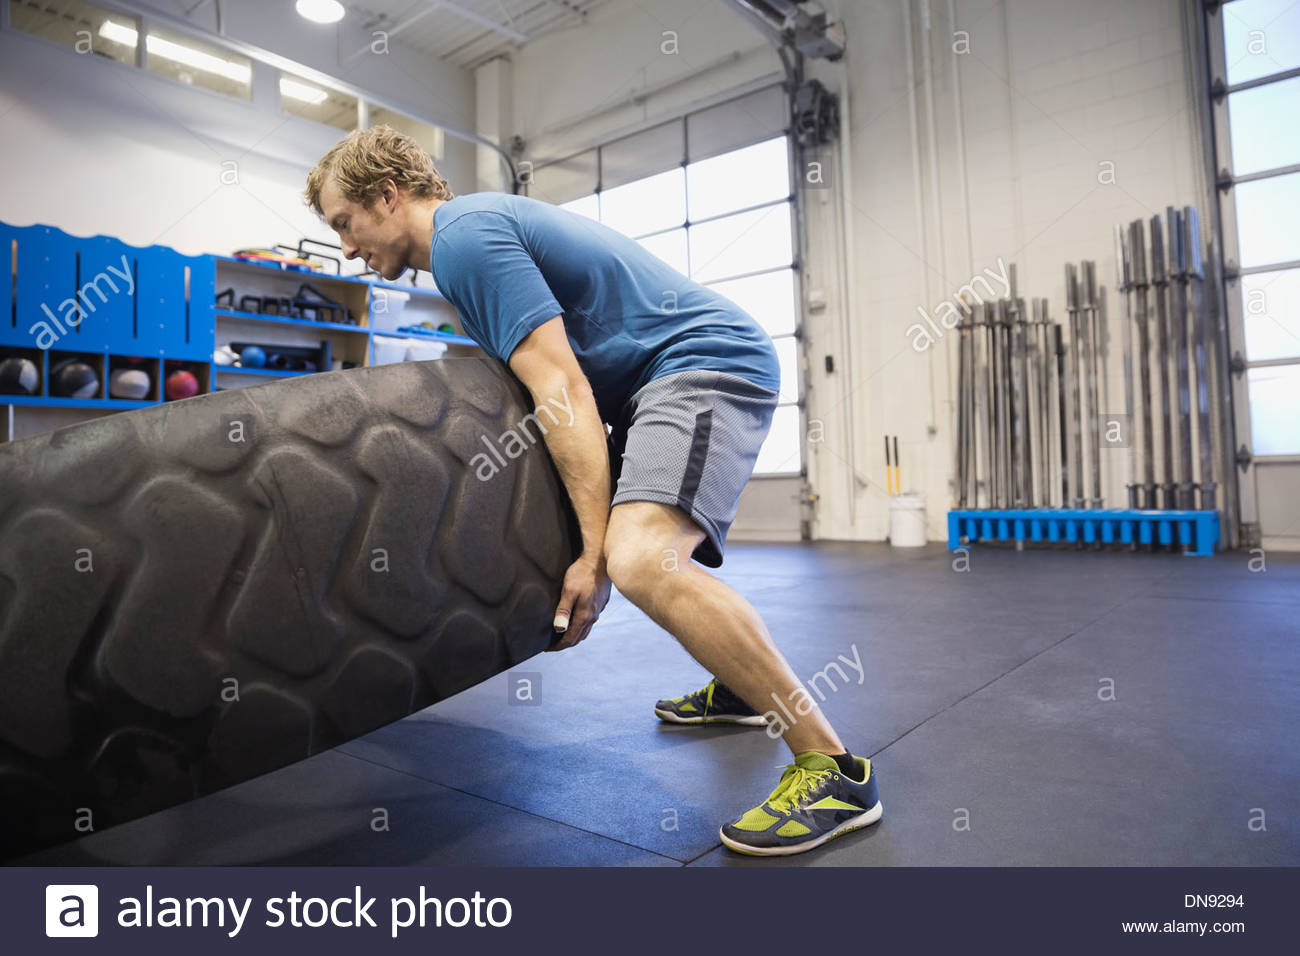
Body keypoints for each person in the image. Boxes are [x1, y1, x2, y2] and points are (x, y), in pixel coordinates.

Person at [304, 126, 882, 856]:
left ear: (387, 196)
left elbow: (562, 387)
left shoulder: (465, 240)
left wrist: (595, 555)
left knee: (643, 558)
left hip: (703, 364)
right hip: (650, 388)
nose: (348, 247)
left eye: (344, 224)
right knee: (649, 544)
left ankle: (833, 768)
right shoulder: (468, 243)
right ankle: (742, 683)